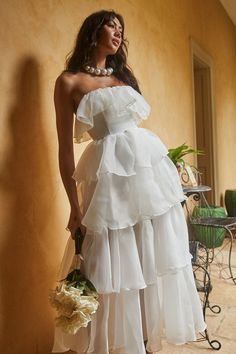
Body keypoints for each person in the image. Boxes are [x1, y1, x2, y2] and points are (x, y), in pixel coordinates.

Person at [52, 9, 206, 354]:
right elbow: (64, 152)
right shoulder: (69, 82)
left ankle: (147, 343)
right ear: (94, 30)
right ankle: (115, 346)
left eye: (122, 28)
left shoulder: (123, 77)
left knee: (148, 258)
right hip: (107, 182)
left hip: (144, 177)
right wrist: (74, 208)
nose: (119, 33)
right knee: (108, 265)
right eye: (112, 26)